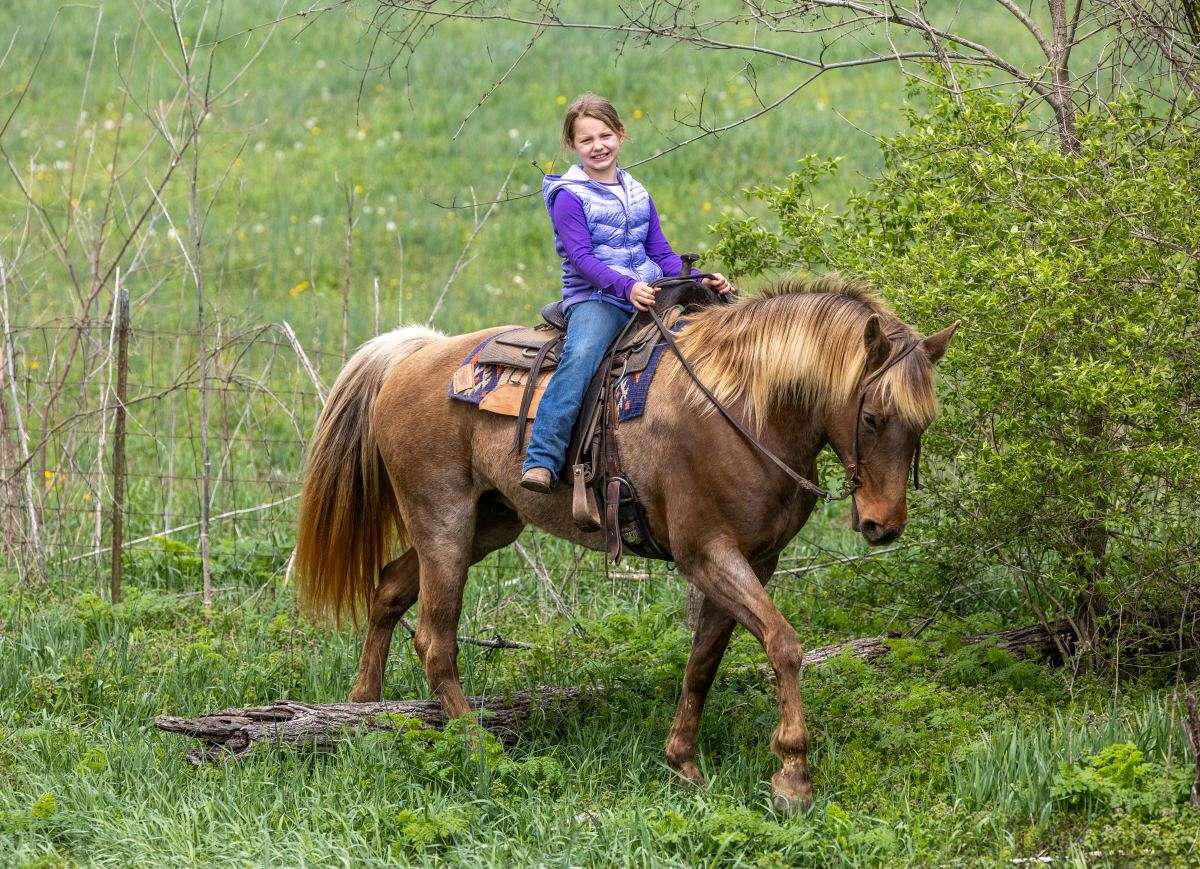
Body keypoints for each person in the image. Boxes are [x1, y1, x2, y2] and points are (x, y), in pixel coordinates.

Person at [520, 93, 734, 493]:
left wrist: (701, 280)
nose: (598, 146)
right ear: (573, 146)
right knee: (581, 358)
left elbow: (661, 253)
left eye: (605, 135)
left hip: (648, 292)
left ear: (621, 135)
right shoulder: (568, 195)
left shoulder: (636, 191)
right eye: (586, 140)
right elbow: (582, 258)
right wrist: (626, 286)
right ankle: (543, 457)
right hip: (597, 299)